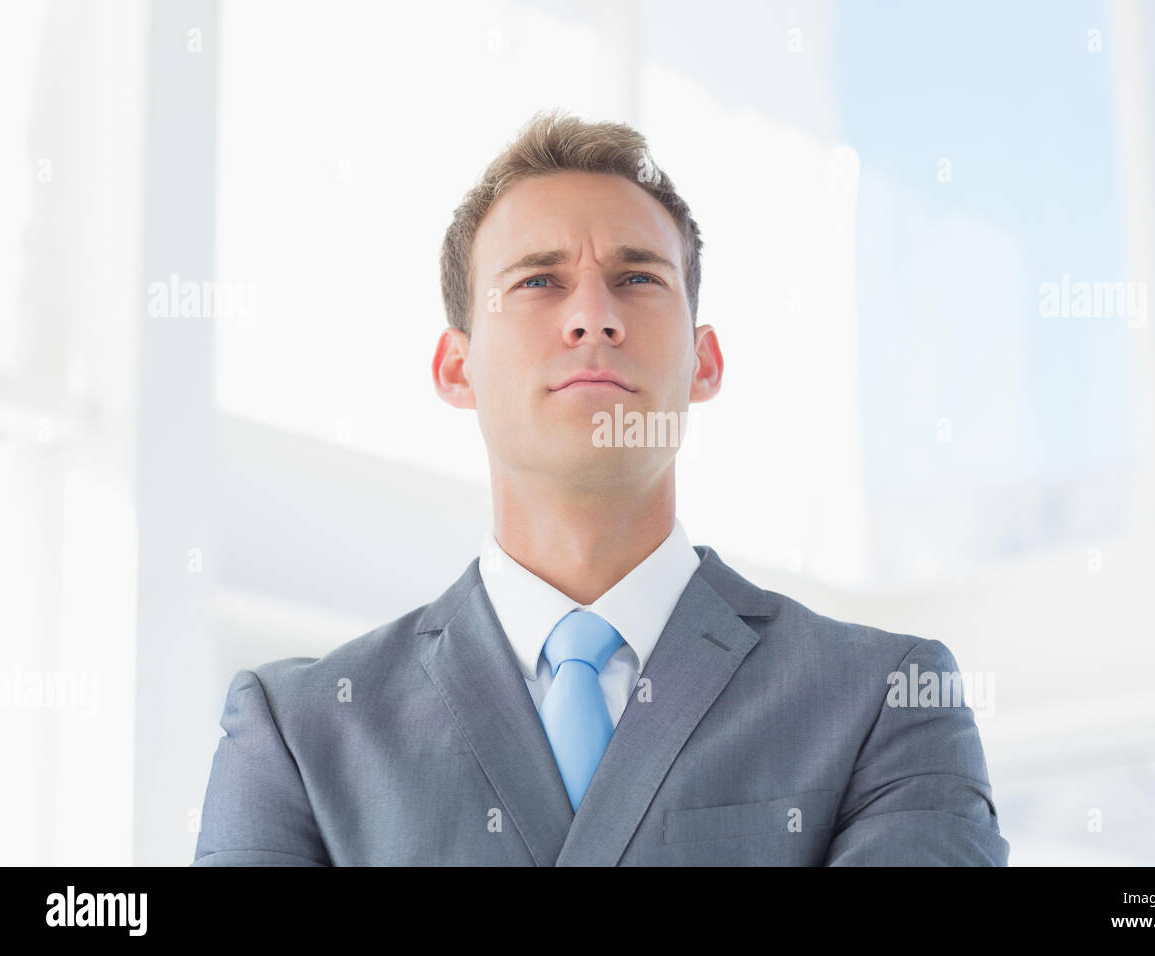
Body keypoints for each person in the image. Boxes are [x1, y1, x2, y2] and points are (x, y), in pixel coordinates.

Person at [192, 108, 1009, 866]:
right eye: (539, 282)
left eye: (638, 279)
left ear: (705, 362)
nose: (593, 316)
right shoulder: (299, 734)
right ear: (456, 367)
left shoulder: (885, 700)